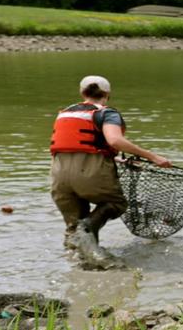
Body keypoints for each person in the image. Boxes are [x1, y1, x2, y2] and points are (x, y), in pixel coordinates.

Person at [49, 75, 171, 264]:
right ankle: (88, 228)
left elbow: (75, 146)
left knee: (73, 227)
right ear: (107, 94)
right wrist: (153, 157)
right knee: (116, 203)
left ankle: (82, 269)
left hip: (59, 173)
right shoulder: (107, 113)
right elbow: (115, 140)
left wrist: (115, 159)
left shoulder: (64, 113)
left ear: (82, 93)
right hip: (91, 172)